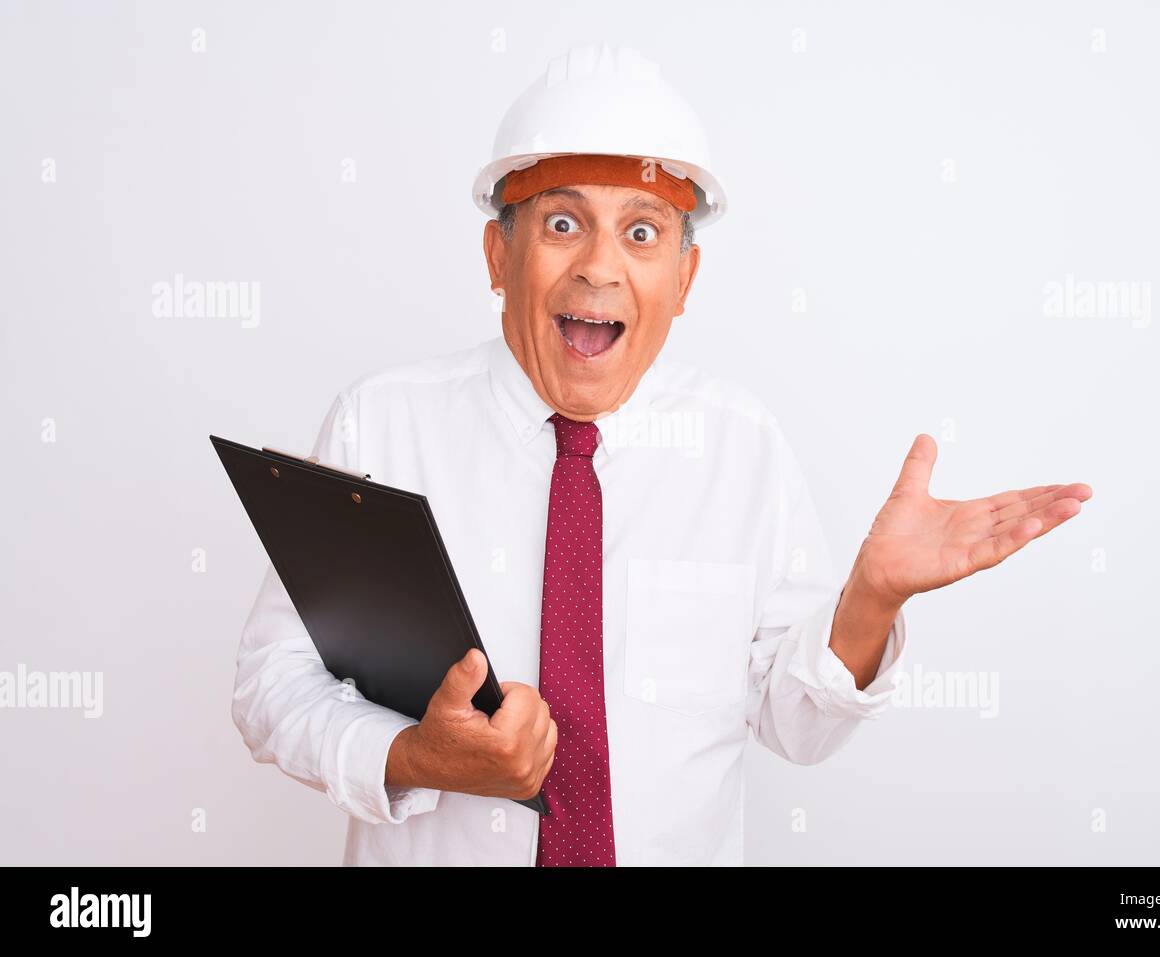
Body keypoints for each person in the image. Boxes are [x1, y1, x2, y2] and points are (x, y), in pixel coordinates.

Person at [231, 42, 1091, 866]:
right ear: (500, 255)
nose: (599, 268)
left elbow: (798, 723)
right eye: (563, 222)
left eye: (642, 234)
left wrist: (870, 598)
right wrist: (415, 754)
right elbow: (271, 687)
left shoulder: (740, 444)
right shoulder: (380, 426)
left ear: (684, 280)